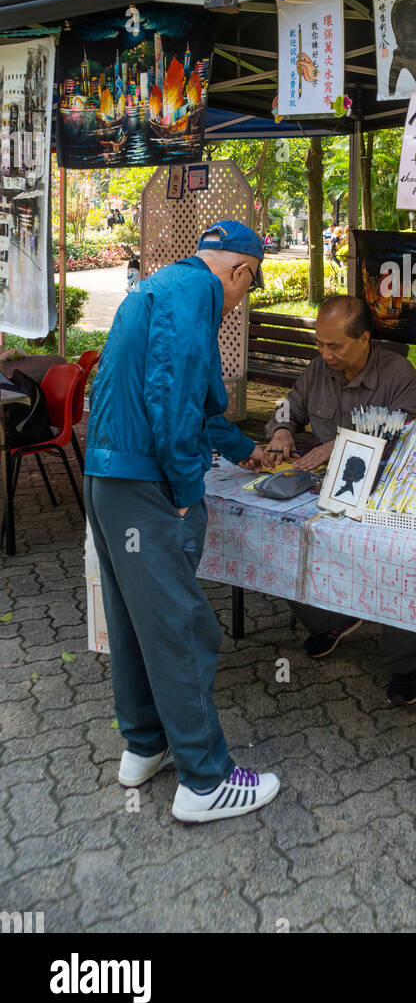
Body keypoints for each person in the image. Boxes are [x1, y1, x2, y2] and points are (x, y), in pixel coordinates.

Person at [83, 221, 278, 824]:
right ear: (241, 271)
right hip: (146, 484)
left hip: (106, 475)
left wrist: (246, 449)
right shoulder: (199, 295)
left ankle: (144, 746)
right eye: (246, 290)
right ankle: (206, 779)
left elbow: (191, 401)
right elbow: (172, 400)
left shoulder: (159, 286)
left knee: (136, 621)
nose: (237, 304)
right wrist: (188, 492)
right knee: (181, 627)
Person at [263, 295, 416, 706]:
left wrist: (341, 444)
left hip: (385, 490)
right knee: (279, 536)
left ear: (365, 339)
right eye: (319, 344)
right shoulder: (319, 368)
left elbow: (405, 437)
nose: (324, 354)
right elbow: (288, 406)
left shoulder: (398, 374)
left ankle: (403, 665)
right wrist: (282, 430)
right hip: (325, 488)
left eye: (333, 345)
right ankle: (331, 620)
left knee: (394, 563)